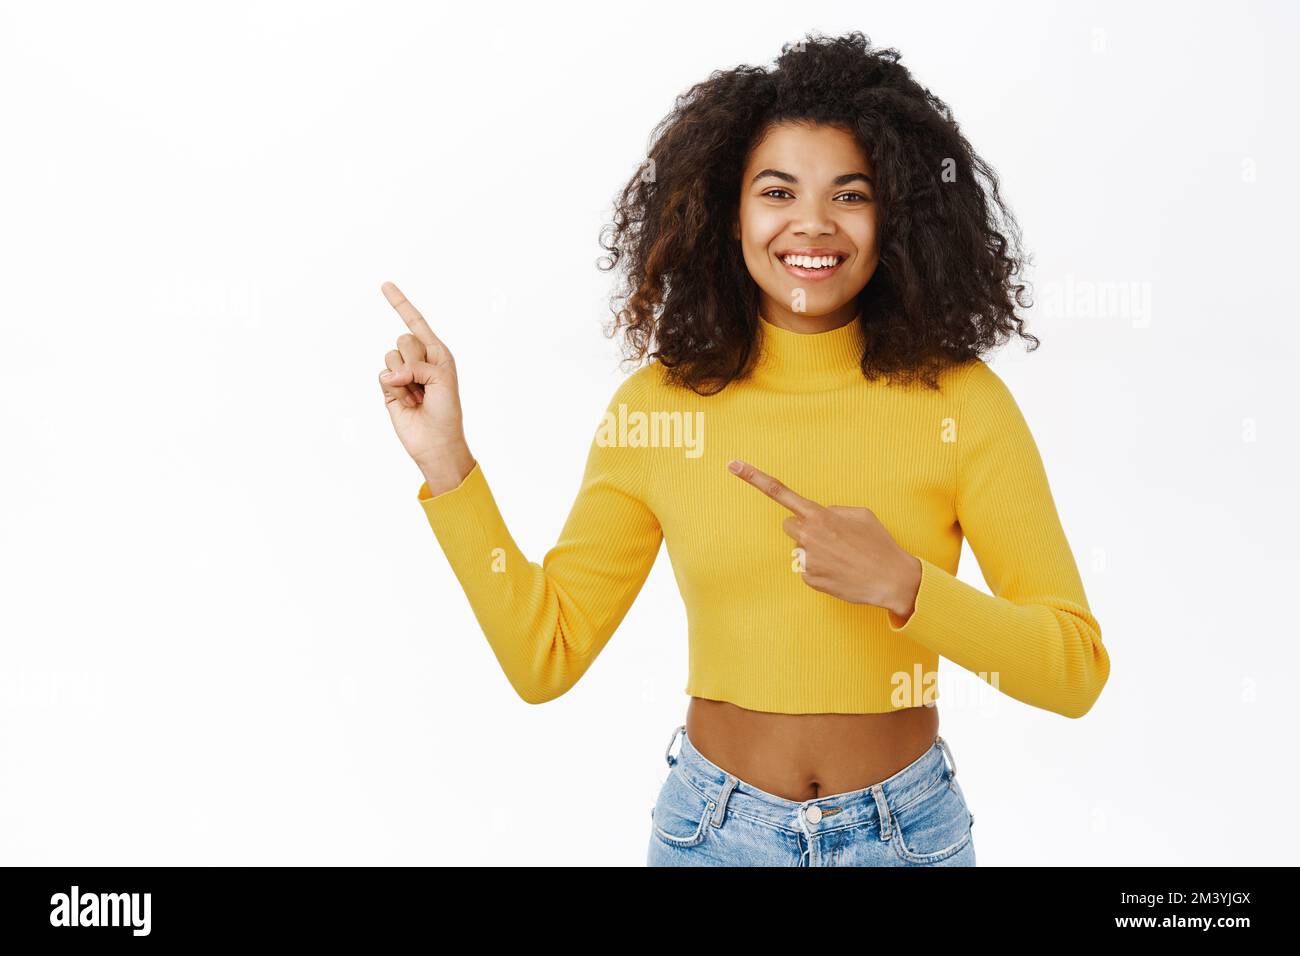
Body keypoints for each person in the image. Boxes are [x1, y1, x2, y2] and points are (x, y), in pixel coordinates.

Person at [376, 31, 1111, 867]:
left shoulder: (965, 404)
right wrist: (448, 466)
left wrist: (905, 585)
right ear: (728, 212)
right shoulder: (657, 409)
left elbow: (1074, 671)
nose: (812, 224)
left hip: (906, 838)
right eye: (777, 191)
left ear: (896, 215)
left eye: (850, 194)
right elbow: (545, 656)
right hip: (711, 835)